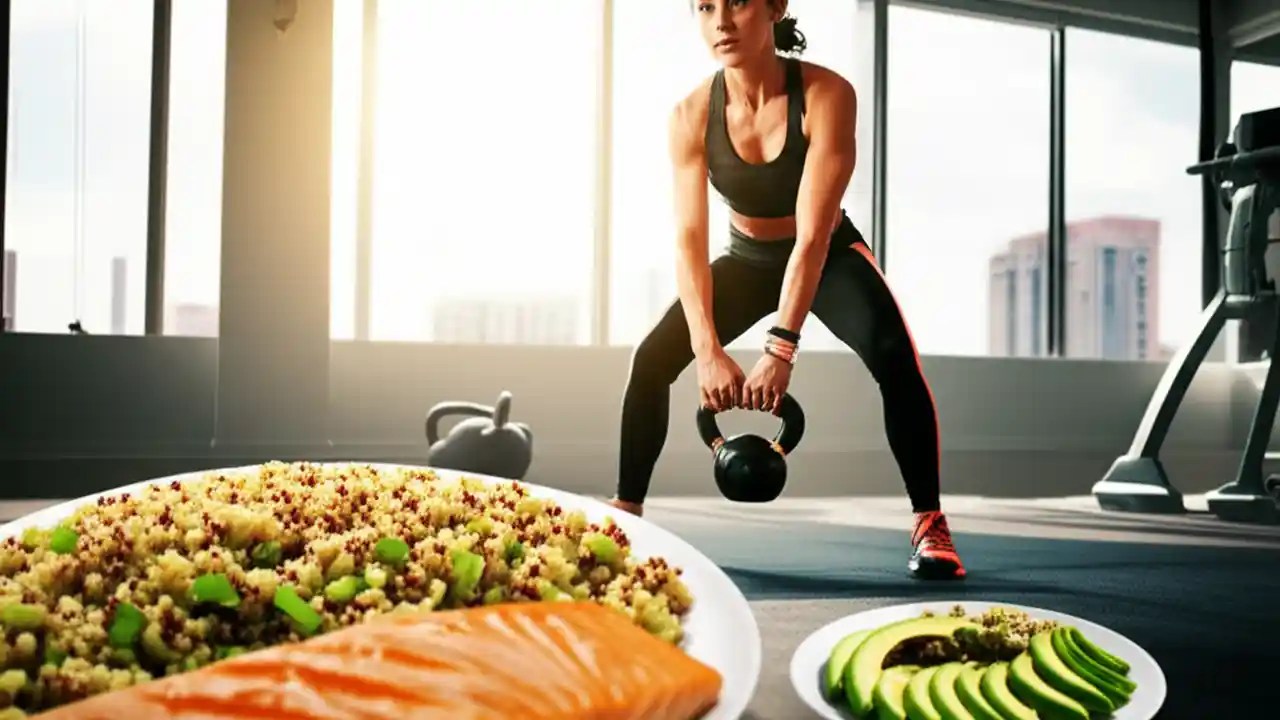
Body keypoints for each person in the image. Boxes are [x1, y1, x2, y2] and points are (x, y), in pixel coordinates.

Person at [606, 0, 966, 581]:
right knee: (651, 360)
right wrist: (707, 351)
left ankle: (930, 522)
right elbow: (689, 241)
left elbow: (813, 237)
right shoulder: (690, 114)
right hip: (745, 259)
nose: (720, 21)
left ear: (775, 7)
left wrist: (779, 349)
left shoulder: (827, 95)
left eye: (737, 3)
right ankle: (626, 516)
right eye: (704, 7)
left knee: (895, 356)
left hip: (827, 254)